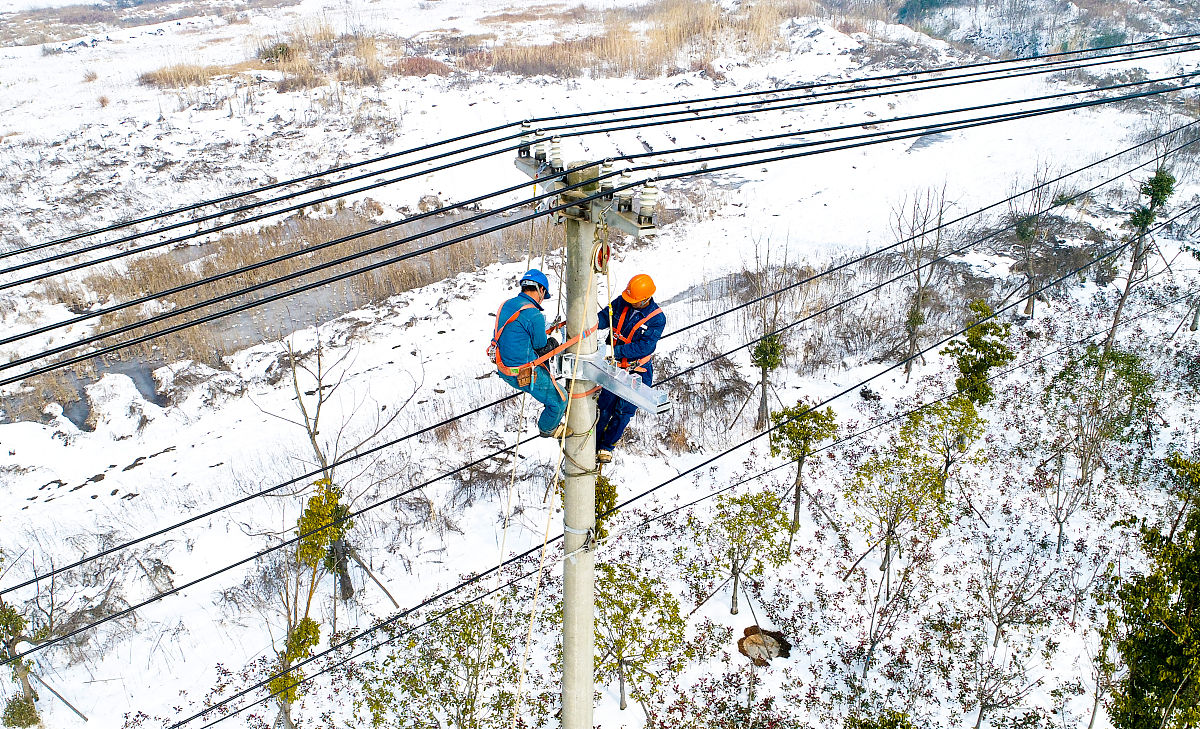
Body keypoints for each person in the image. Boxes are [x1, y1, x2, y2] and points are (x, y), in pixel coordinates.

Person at [489, 269, 571, 438]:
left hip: (503, 367)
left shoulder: (506, 305)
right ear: (541, 289)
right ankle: (548, 429)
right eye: (544, 294)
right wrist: (554, 340)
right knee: (560, 401)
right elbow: (542, 347)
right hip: (523, 373)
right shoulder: (534, 315)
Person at [595, 274, 665, 464]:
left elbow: (645, 347)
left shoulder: (657, 319)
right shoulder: (623, 301)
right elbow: (604, 318)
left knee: (623, 410)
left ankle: (607, 446)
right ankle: (593, 443)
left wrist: (615, 351)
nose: (630, 302)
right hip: (613, 366)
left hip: (636, 369)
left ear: (645, 299)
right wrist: (590, 326)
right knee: (604, 407)